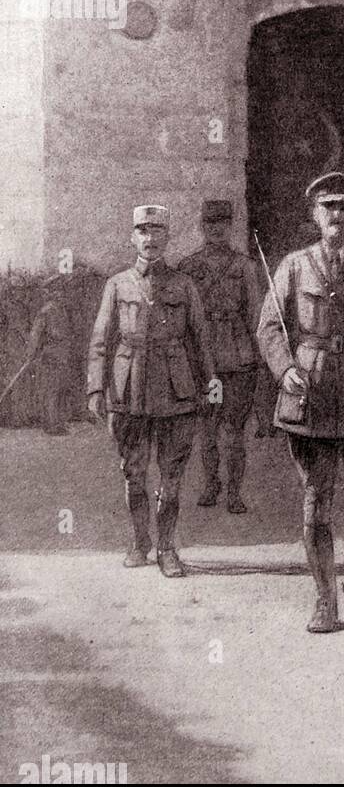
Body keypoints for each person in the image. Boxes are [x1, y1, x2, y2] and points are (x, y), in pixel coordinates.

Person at [256, 173, 344, 633]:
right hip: (309, 393)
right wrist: (285, 368)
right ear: (314, 215)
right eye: (328, 207)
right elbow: (269, 327)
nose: (337, 216)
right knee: (317, 498)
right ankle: (325, 598)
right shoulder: (294, 265)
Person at [86, 205, 214, 578]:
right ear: (133, 237)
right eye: (143, 231)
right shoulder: (117, 284)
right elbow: (100, 340)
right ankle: (140, 541)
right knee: (134, 474)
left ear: (167, 237)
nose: (151, 238)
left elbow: (200, 340)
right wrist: (96, 387)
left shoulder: (184, 285)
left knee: (171, 477)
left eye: (158, 231)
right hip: (128, 392)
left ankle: (167, 548)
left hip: (176, 391)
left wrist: (211, 388)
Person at [179, 200, 261, 514]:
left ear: (230, 226)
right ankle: (211, 483)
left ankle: (234, 493)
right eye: (210, 223)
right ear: (202, 226)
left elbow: (255, 313)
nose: (216, 229)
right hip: (205, 358)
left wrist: (258, 356)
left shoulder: (245, 267)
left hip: (238, 357)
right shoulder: (188, 267)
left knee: (235, 429)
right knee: (208, 427)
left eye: (222, 223)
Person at [25, 274, 77, 437]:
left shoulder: (62, 309)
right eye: (57, 291)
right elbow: (36, 335)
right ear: (51, 292)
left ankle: (58, 423)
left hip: (63, 355)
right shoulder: (46, 311)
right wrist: (32, 354)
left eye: (62, 290)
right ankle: (52, 424)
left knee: (61, 389)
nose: (61, 294)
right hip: (51, 356)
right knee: (52, 390)